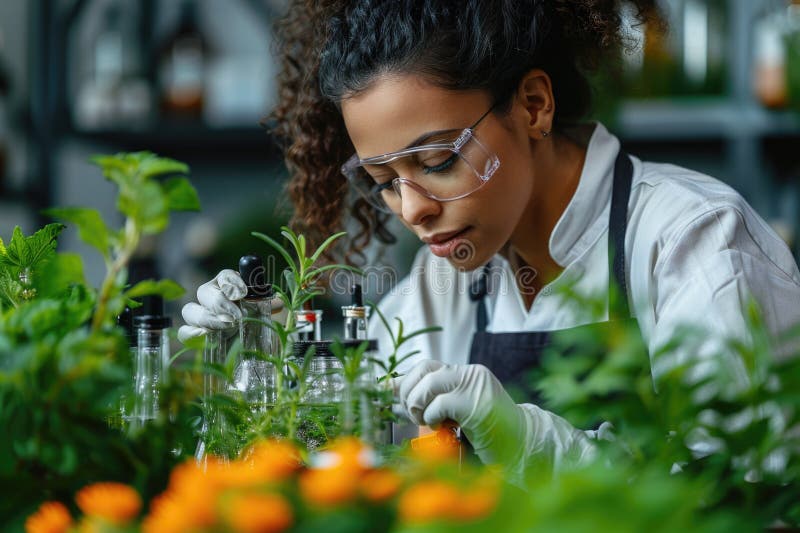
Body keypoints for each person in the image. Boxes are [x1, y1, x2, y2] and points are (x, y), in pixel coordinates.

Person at [179, 0, 800, 479]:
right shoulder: (447, 275)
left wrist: (534, 447)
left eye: (439, 160)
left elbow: (744, 492)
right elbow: (359, 412)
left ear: (533, 105)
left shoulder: (693, 242)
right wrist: (271, 344)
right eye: (383, 182)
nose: (414, 210)